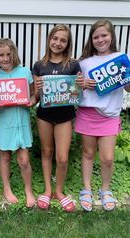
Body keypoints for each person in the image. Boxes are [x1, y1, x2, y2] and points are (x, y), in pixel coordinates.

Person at [75, 19, 130, 211]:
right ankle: (87, 188)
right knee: (88, 153)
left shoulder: (121, 58)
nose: (100, 40)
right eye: (96, 36)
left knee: (107, 157)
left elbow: (128, 88)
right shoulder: (84, 62)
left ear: (111, 36)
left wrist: (127, 78)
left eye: (104, 35)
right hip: (88, 113)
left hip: (110, 115)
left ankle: (105, 189)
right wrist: (82, 84)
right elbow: (75, 89)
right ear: (91, 40)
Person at [32, 24, 83, 212]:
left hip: (65, 117)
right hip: (44, 116)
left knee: (62, 158)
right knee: (46, 152)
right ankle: (47, 189)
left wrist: (80, 84)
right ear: (49, 39)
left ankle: (59, 191)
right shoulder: (39, 65)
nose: (58, 43)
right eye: (55, 38)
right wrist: (25, 100)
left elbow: (77, 94)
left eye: (63, 40)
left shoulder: (73, 64)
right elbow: (36, 96)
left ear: (68, 43)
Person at [0, 38, 36, 208]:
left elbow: (33, 94)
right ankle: (7, 188)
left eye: (8, 54)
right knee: (4, 157)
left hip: (21, 123)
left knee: (24, 160)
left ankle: (28, 190)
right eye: (1, 55)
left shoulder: (24, 72)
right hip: (3, 122)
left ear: (14, 54)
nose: (5, 58)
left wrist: (32, 100)